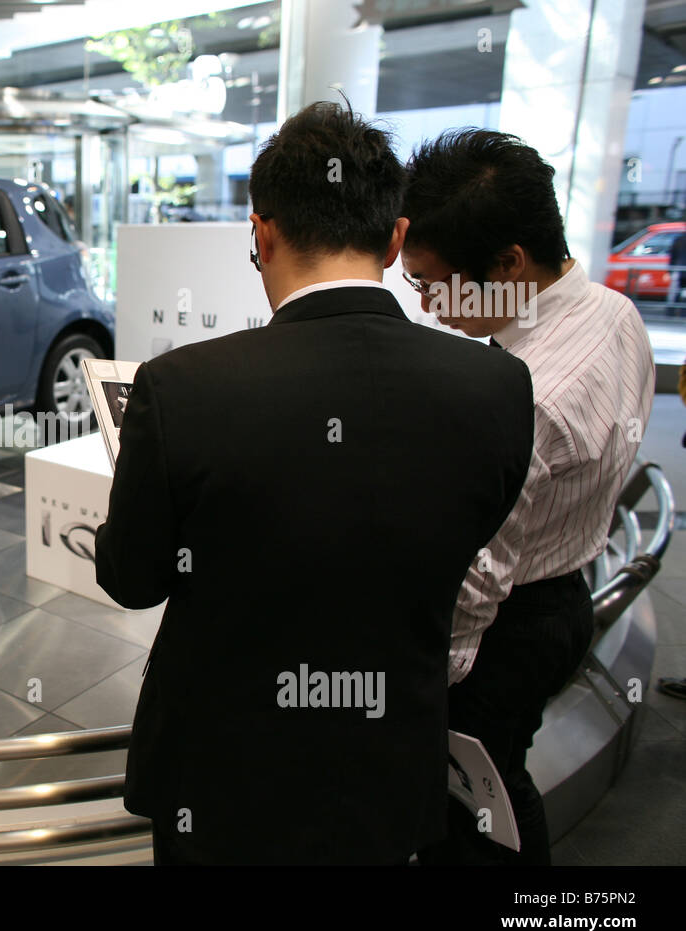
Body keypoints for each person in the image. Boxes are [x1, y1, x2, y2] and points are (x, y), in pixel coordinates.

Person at [94, 101, 536, 865]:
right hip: (391, 762)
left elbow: (133, 580)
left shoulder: (180, 389)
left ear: (261, 235)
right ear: (397, 239)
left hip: (221, 774)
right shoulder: (497, 385)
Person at [401, 129, 656, 865]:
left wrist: (431, 677)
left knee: (473, 806)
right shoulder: (613, 312)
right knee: (497, 784)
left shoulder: (528, 397)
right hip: (565, 585)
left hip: (509, 628)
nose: (426, 305)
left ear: (510, 262)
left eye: (435, 284)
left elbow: (479, 579)